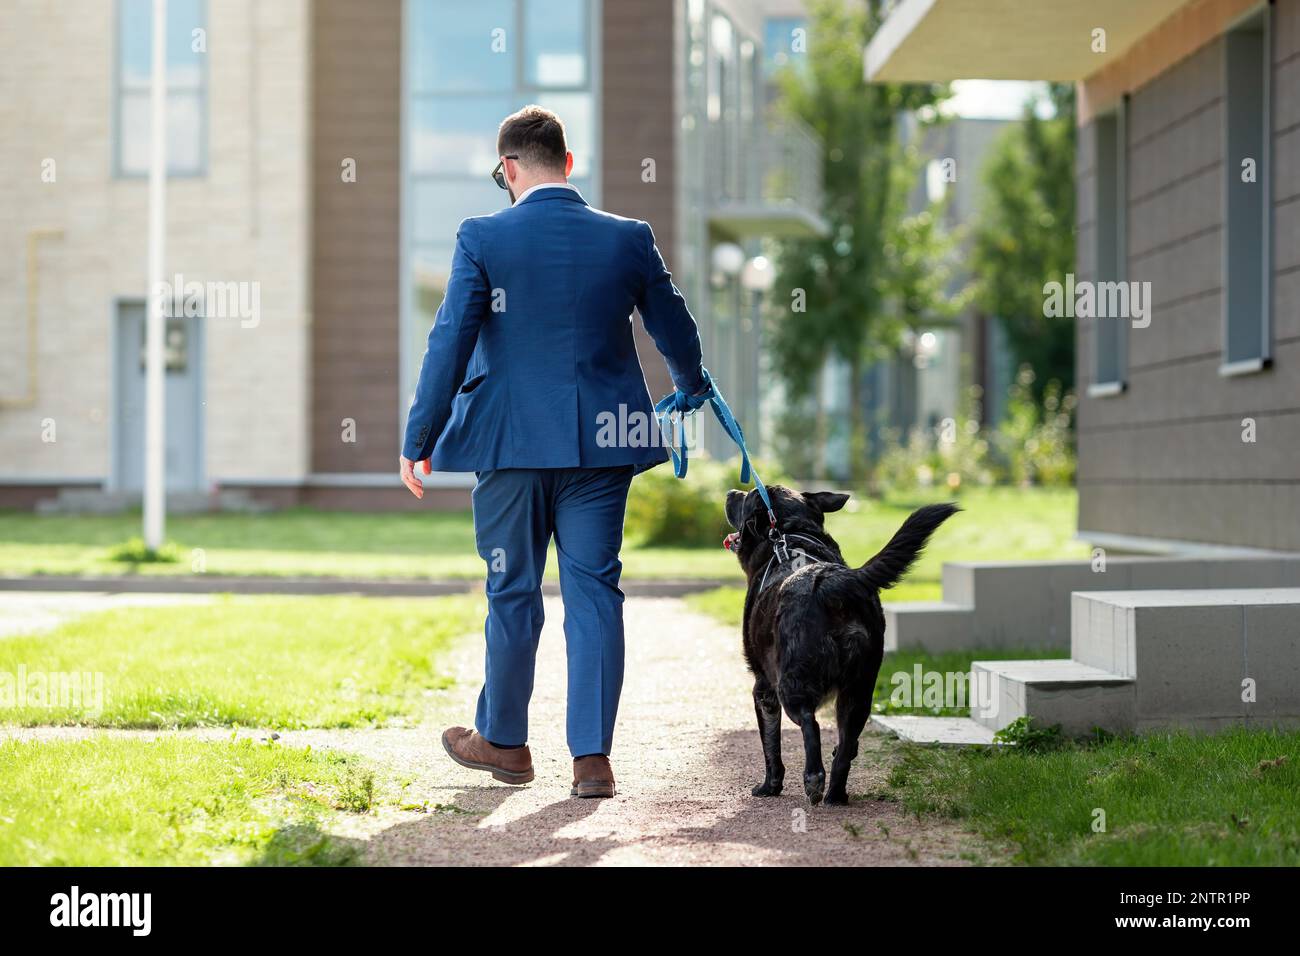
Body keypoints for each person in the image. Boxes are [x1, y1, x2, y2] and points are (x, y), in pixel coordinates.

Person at [400, 105, 711, 798]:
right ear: (569, 165)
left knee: (512, 589)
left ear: (508, 170)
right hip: (603, 450)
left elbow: (448, 340)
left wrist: (419, 438)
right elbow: (676, 328)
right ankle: (591, 760)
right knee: (595, 590)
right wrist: (692, 388)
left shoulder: (482, 235)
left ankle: (505, 744)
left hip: (510, 446)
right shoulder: (629, 238)